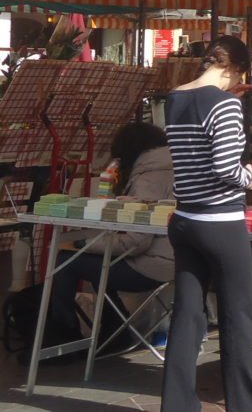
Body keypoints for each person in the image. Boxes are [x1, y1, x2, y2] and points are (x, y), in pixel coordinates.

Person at [161, 35, 252, 412]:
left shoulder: (174, 98)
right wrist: (249, 177)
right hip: (221, 222)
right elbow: (226, 168)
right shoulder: (224, 104)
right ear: (235, 69)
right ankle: (246, 406)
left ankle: (176, 404)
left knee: (187, 315)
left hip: (185, 219)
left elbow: (187, 157)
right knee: (236, 316)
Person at [33, 123, 174, 365]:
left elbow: (134, 242)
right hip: (174, 262)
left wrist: (84, 243)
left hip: (152, 267)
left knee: (66, 262)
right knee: (96, 263)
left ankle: (64, 338)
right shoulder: (173, 168)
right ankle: (113, 328)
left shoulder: (146, 179)